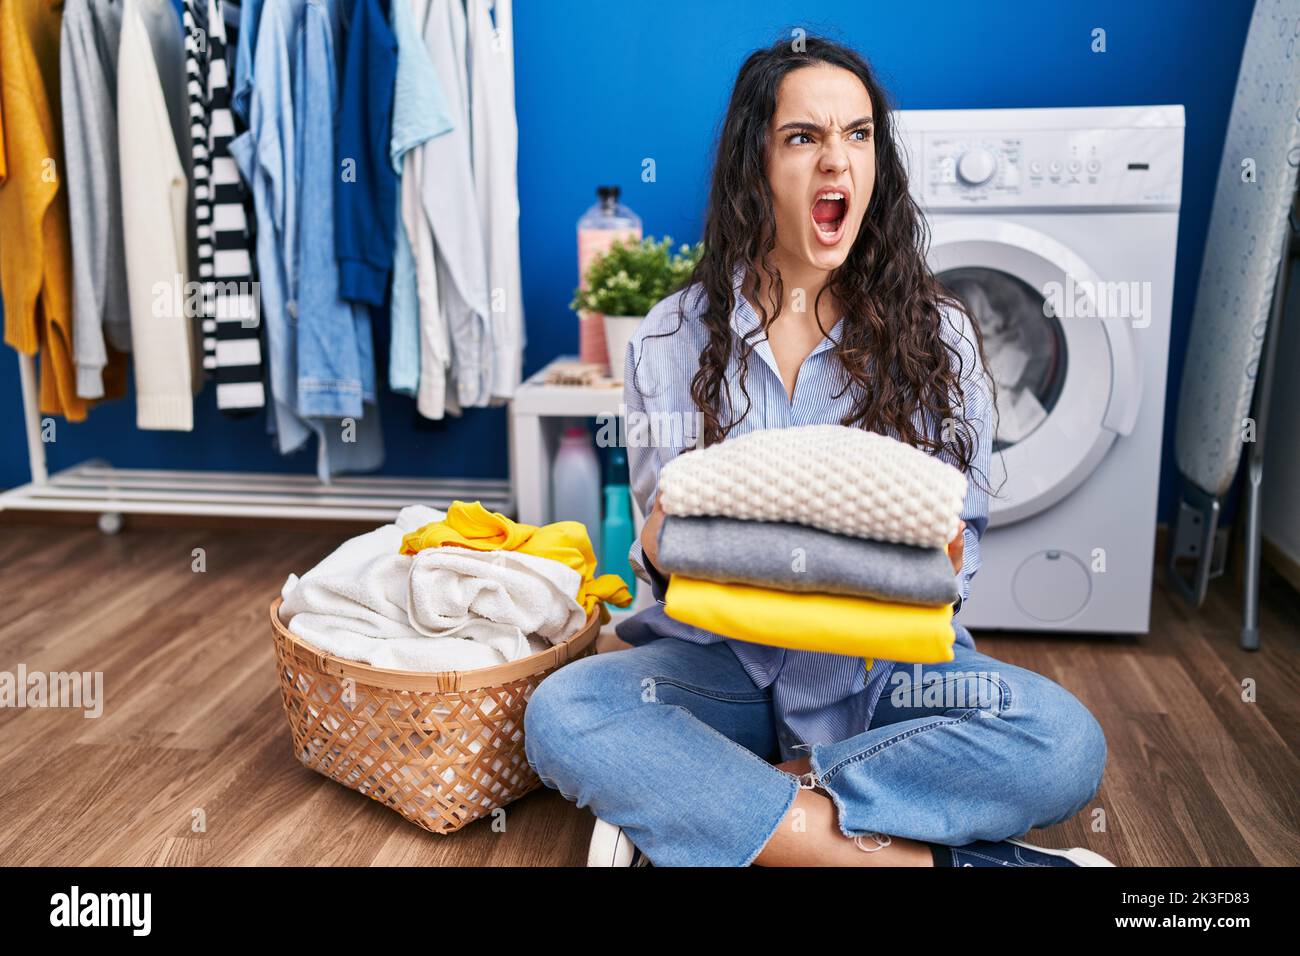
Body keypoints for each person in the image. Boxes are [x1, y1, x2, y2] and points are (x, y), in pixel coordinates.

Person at [525, 34, 1110, 868]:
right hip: (721, 672)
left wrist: (939, 562)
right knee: (564, 713)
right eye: (804, 137)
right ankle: (912, 859)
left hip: (884, 678)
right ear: (753, 165)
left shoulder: (938, 334)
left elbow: (961, 543)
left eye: (859, 134)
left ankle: (742, 808)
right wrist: (658, 549)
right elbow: (669, 551)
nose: (838, 160)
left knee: (1062, 744)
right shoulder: (668, 337)